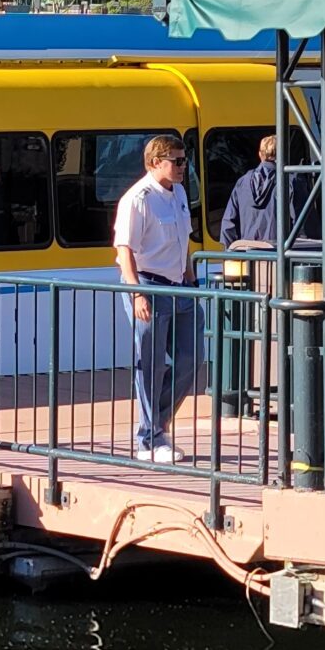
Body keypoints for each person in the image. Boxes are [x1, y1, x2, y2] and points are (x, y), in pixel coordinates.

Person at [113, 134, 201, 463]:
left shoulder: (178, 192)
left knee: (192, 358)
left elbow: (184, 241)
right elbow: (125, 251)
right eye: (176, 161)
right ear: (155, 163)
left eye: (184, 161)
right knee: (150, 365)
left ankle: (156, 426)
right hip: (149, 285)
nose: (183, 167)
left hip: (180, 286)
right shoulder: (137, 198)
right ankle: (149, 438)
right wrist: (137, 294)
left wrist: (192, 283)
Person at [218, 135, 281, 247]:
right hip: (278, 257)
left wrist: (231, 256)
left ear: (260, 154)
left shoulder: (242, 183)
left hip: (249, 257)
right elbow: (305, 229)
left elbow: (228, 225)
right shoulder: (290, 182)